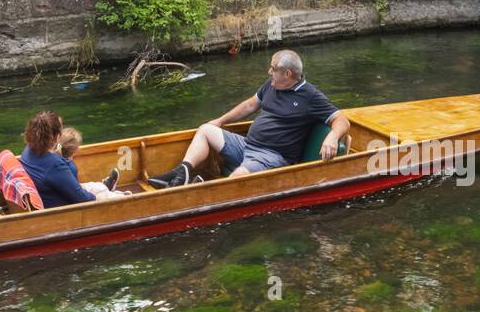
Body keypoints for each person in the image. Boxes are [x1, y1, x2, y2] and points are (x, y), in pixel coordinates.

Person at [148, 50, 350, 188]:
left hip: (272, 157)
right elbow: (250, 105)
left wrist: (332, 136)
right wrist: (219, 121)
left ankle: (199, 194)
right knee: (205, 130)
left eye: (273, 68)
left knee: (238, 177)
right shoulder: (271, 84)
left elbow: (341, 120)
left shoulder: (310, 96)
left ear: (288, 73)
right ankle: (183, 172)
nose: (269, 72)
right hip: (247, 145)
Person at [19, 111, 122, 207]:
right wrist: (97, 197)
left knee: (97, 187)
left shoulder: (28, 150)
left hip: (53, 195)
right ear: (56, 137)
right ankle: (117, 194)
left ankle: (105, 188)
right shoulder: (55, 165)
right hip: (65, 210)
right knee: (118, 198)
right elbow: (83, 199)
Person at [59, 127, 127, 200]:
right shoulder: (66, 168)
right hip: (76, 200)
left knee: (98, 186)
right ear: (75, 151)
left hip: (74, 192)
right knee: (107, 195)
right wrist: (93, 196)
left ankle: (105, 186)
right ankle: (119, 196)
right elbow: (79, 196)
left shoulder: (58, 160)